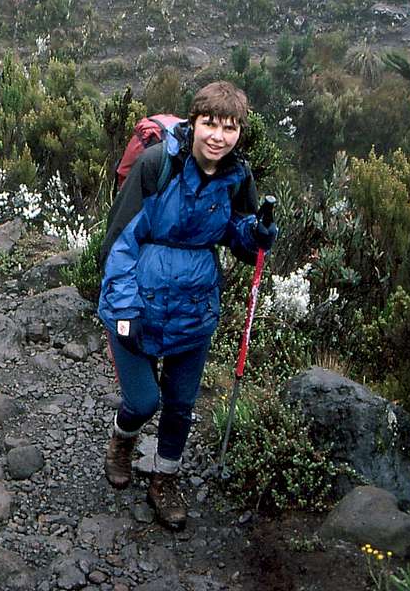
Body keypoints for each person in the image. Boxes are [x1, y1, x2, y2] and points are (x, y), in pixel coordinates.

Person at [97, 81, 277, 531]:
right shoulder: (158, 166)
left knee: (180, 404)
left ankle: (165, 478)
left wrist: (256, 235)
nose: (218, 136)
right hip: (138, 304)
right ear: (193, 122)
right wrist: (124, 311)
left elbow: (236, 239)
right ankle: (123, 440)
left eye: (229, 127)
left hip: (194, 311)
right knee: (143, 400)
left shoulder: (238, 177)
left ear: (240, 132)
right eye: (210, 123)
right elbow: (117, 244)